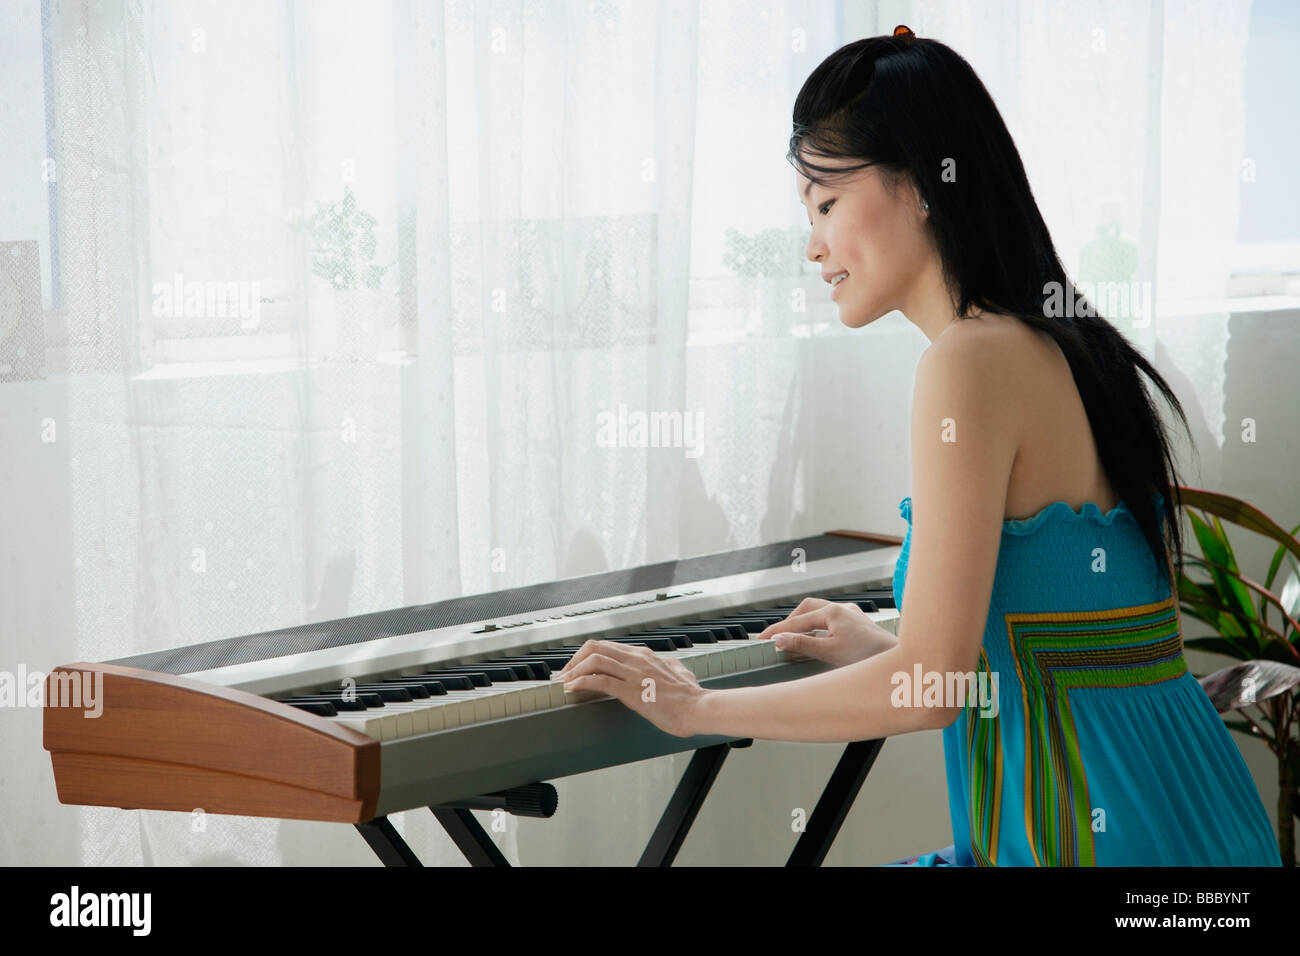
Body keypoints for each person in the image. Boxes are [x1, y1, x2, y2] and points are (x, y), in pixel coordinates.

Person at [554, 27, 1281, 866]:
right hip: (1200, 833)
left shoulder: (968, 363)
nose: (813, 245)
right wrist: (891, 647)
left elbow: (923, 694)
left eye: (826, 203)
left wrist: (694, 706)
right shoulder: (1071, 342)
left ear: (924, 186)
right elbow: (1073, 648)